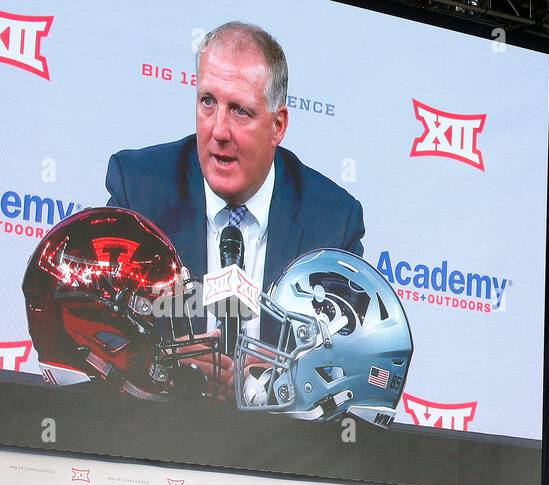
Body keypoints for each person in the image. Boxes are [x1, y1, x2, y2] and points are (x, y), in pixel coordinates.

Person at [104, 20, 365, 388]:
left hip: (276, 441)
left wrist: (279, 379)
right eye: (208, 102)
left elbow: (349, 362)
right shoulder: (141, 188)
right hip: (155, 430)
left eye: (240, 110)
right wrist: (164, 364)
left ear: (278, 125)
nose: (219, 131)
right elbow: (99, 323)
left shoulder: (333, 221)